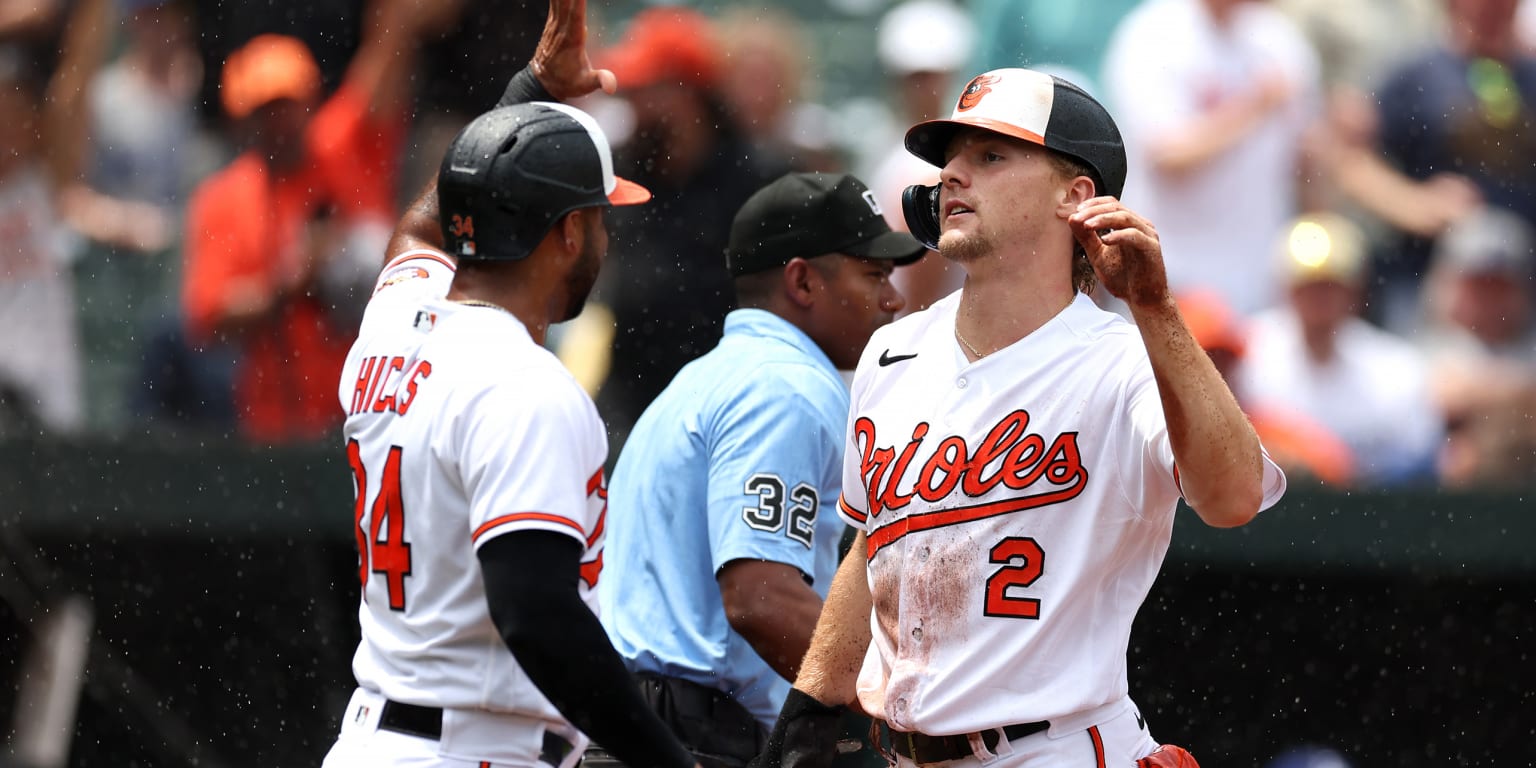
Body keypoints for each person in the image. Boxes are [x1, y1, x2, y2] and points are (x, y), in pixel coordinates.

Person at [752, 67, 1287, 768]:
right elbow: (871, 545)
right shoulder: (892, 351)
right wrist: (812, 706)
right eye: (952, 158)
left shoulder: (1124, 360)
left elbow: (1234, 498)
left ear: (1076, 197)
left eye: (991, 155)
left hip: (1054, 747)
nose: (953, 175)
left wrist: (1155, 308)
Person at [321, 3, 700, 767]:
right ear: (567, 233)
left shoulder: (392, 325)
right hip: (477, 746)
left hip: (375, 739)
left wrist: (530, 91)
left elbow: (422, 227)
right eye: (598, 218)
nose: (606, 236)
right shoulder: (526, 386)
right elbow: (535, 614)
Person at [598, 172, 920, 768]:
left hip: (646, 721)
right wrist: (906, 703)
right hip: (699, 735)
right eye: (874, 274)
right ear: (803, 281)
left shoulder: (708, 375)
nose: (893, 299)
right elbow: (760, 598)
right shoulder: (785, 387)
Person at [180, 1, 432, 443]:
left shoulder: (344, 146)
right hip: (275, 421)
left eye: (288, 105)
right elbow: (209, 312)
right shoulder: (223, 198)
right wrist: (290, 282)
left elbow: (391, 45)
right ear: (241, 119)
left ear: (311, 101)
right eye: (265, 109)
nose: (279, 121)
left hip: (375, 405)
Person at [589, 7, 793, 451]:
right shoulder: (621, 171)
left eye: (645, 91)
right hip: (629, 404)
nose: (633, 106)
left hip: (729, 412)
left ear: (687, 93)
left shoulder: (759, 180)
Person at [1103, 0, 1321, 316]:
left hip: (1262, 281)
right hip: (1170, 279)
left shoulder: (1280, 39)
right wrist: (1254, 106)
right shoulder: (1152, 33)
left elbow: (1307, 162)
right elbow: (1168, 156)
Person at [1237, 213, 1442, 487]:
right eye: (1308, 287)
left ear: (1356, 292)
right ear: (1286, 290)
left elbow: (1420, 461)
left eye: (1331, 286)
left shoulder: (1396, 368)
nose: (1319, 299)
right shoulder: (1244, 352)